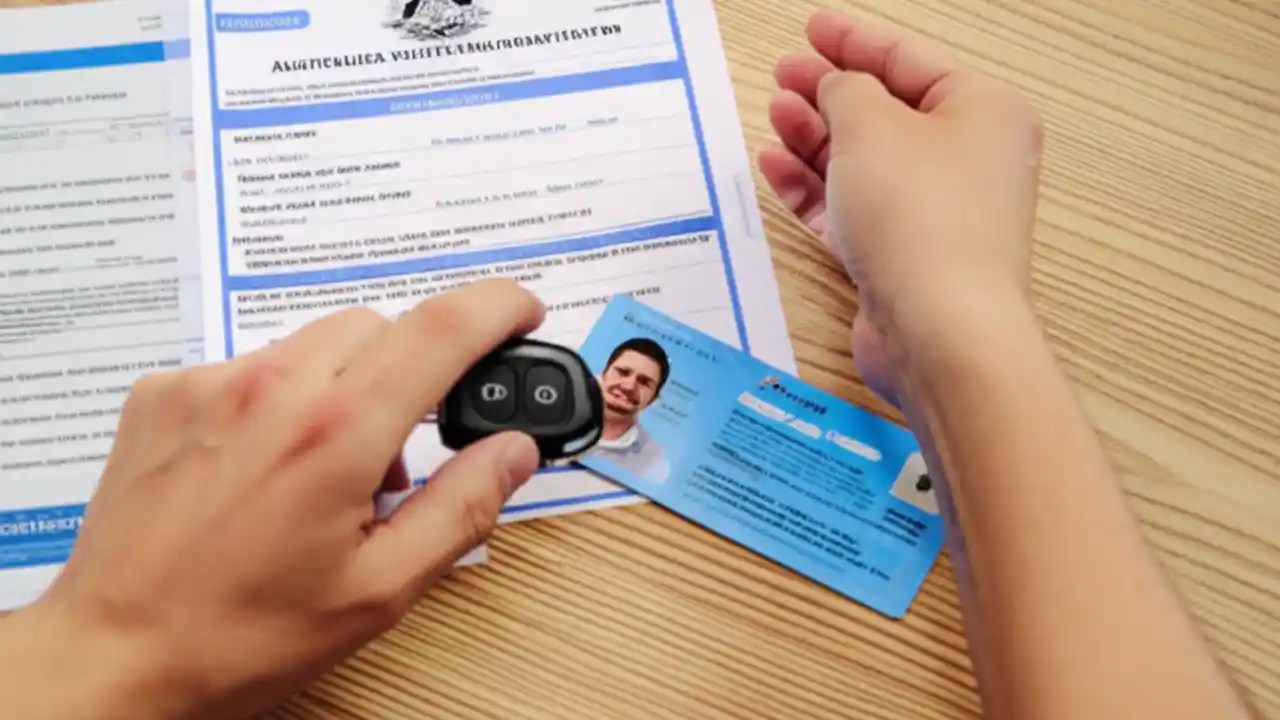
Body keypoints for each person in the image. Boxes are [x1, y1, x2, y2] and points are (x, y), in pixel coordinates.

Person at [0, 9, 1257, 720]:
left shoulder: (660, 441)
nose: (624, 394)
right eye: (630, 385)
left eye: (643, 389)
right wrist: (121, 651)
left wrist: (102, 647)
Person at [583, 338, 672, 483]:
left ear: (653, 399)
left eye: (644, 382)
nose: (629, 386)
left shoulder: (654, 464)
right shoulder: (556, 409)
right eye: (623, 372)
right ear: (603, 373)